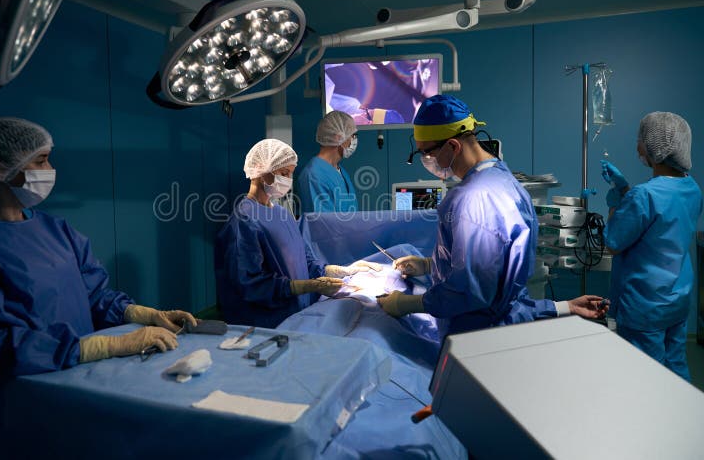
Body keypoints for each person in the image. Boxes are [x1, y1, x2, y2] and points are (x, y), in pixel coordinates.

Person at [0, 117, 198, 385]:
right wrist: (102, 347)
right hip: (25, 388)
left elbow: (94, 294)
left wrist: (145, 314)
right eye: (40, 161)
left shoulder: (55, 229)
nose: (50, 169)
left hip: (81, 376)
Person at [376, 95, 607, 341]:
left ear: (453, 146)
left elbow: (469, 291)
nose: (425, 160)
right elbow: (491, 273)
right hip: (496, 331)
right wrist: (430, 265)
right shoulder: (504, 180)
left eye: (427, 152)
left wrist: (404, 304)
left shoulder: (474, 199)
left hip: (475, 341)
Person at [215, 139, 380, 328]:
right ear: (261, 171)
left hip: (295, 316)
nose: (288, 180)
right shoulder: (244, 220)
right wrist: (306, 286)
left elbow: (304, 261)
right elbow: (249, 284)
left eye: (290, 174)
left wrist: (339, 271)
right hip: (261, 326)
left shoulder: (283, 214)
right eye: (284, 173)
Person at [601, 111, 702, 380]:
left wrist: (615, 201)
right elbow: (659, 221)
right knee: (676, 369)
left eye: (641, 140)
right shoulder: (692, 188)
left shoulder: (644, 195)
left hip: (644, 305)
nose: (637, 146)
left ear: (655, 147)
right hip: (676, 298)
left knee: (646, 378)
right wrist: (626, 192)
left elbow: (613, 242)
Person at [297, 111, 359, 213]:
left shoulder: (340, 171)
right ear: (338, 137)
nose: (354, 140)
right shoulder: (313, 176)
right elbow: (323, 224)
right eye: (352, 135)